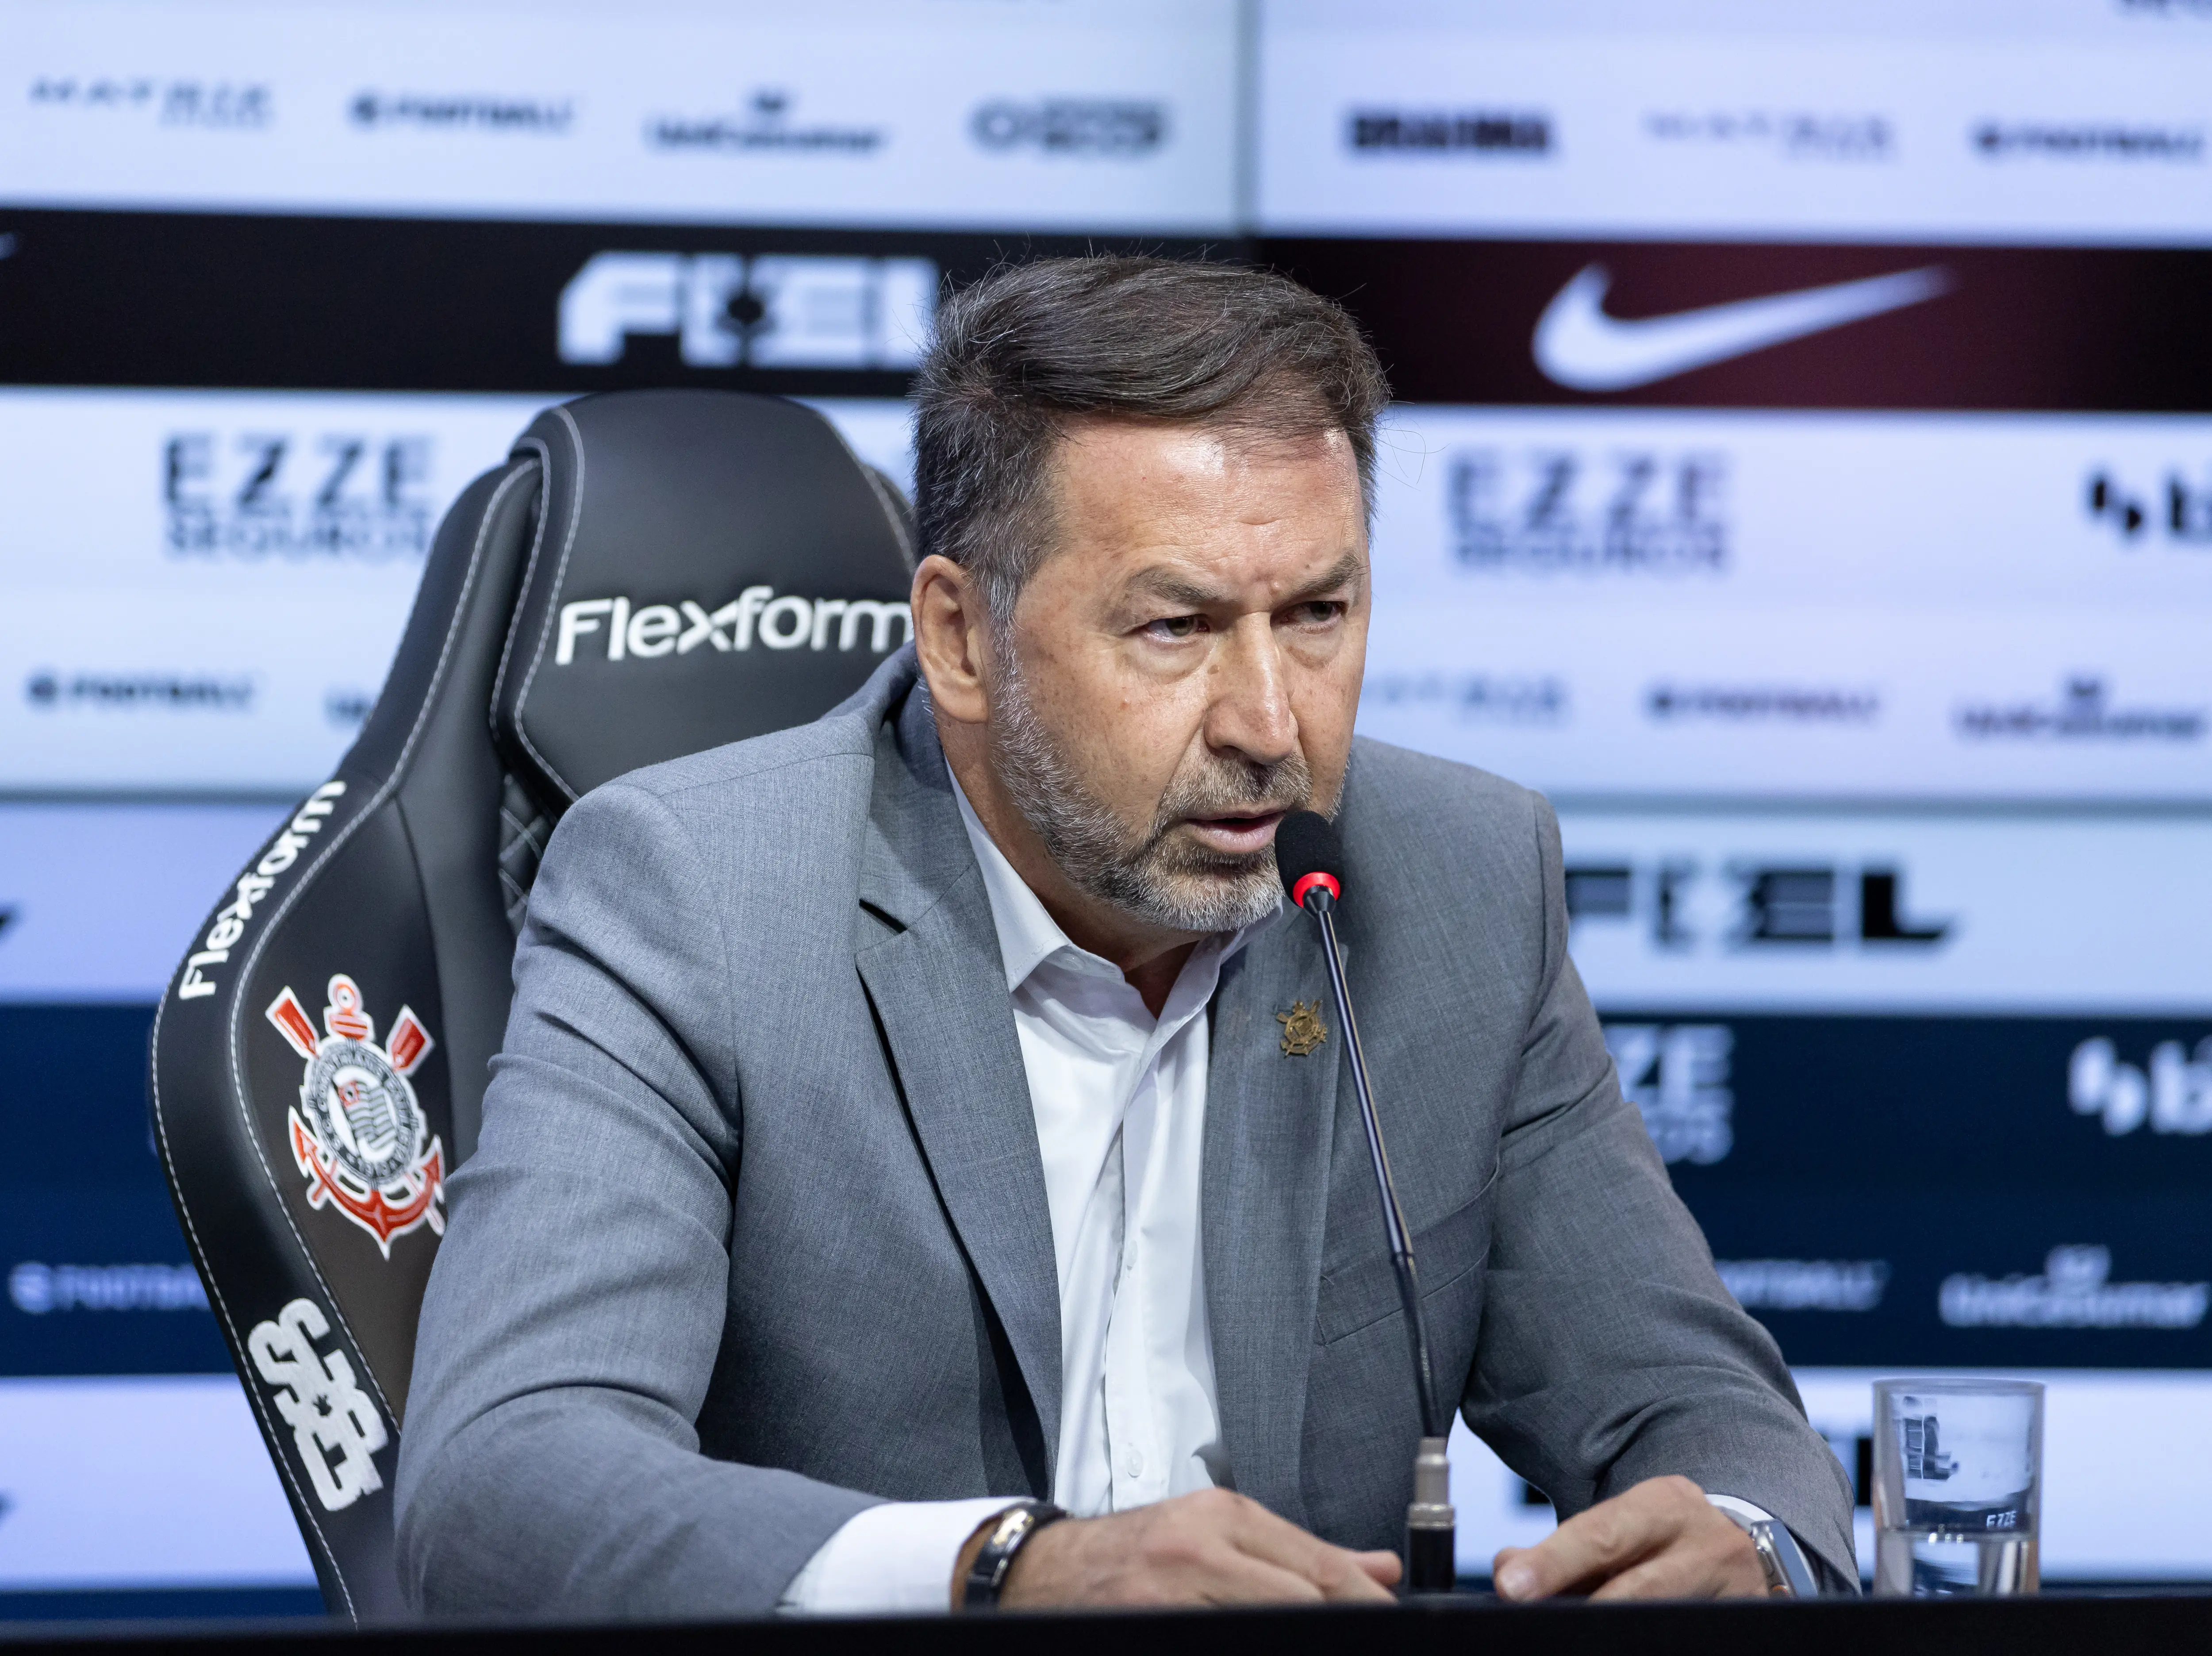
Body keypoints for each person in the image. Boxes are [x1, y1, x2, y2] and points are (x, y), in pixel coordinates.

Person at [396, 256, 1856, 1617]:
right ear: (961, 640)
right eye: (1175, 627)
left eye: (1319, 613)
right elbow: (505, 1477)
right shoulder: (695, 896)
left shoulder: (1459, 880)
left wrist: (1754, 1538)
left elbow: (1693, 1396)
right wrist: (1006, 1569)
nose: (1270, 724)